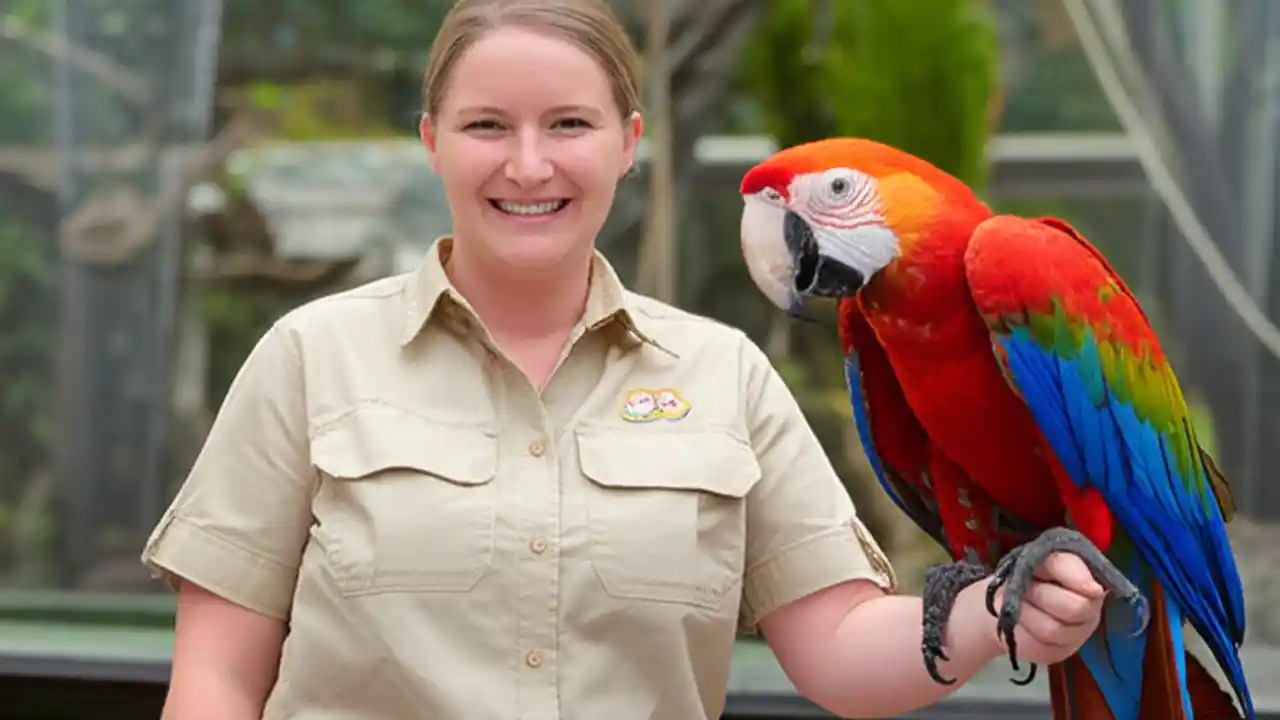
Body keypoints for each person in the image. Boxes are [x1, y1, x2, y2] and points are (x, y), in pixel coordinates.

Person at [141, 0, 1107, 718]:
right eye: (486, 126)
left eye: (569, 125)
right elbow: (217, 677)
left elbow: (845, 649)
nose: (528, 165)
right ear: (433, 143)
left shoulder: (723, 374)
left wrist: (1001, 612)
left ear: (627, 144)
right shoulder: (311, 357)